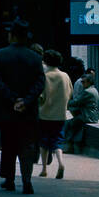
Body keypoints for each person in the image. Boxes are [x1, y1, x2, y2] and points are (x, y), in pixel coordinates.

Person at [0, 18, 45, 194]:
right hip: (28, 111)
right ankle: (27, 180)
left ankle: (9, 179)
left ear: (12, 35)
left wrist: (14, 99)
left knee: (8, 145)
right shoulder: (35, 58)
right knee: (27, 145)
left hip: (7, 109)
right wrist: (26, 100)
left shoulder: (0, 55)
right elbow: (40, 83)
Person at [37, 50, 72, 178]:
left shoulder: (45, 76)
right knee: (57, 141)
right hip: (60, 114)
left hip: (45, 114)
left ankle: (44, 168)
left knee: (44, 141)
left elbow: (40, 96)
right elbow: (70, 93)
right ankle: (61, 163)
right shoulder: (65, 76)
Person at [63, 69, 99, 157]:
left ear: (89, 82)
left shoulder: (87, 92)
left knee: (69, 124)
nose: (82, 84)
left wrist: (64, 102)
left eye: (83, 82)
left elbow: (76, 101)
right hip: (91, 115)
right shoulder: (94, 90)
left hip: (87, 116)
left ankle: (69, 146)